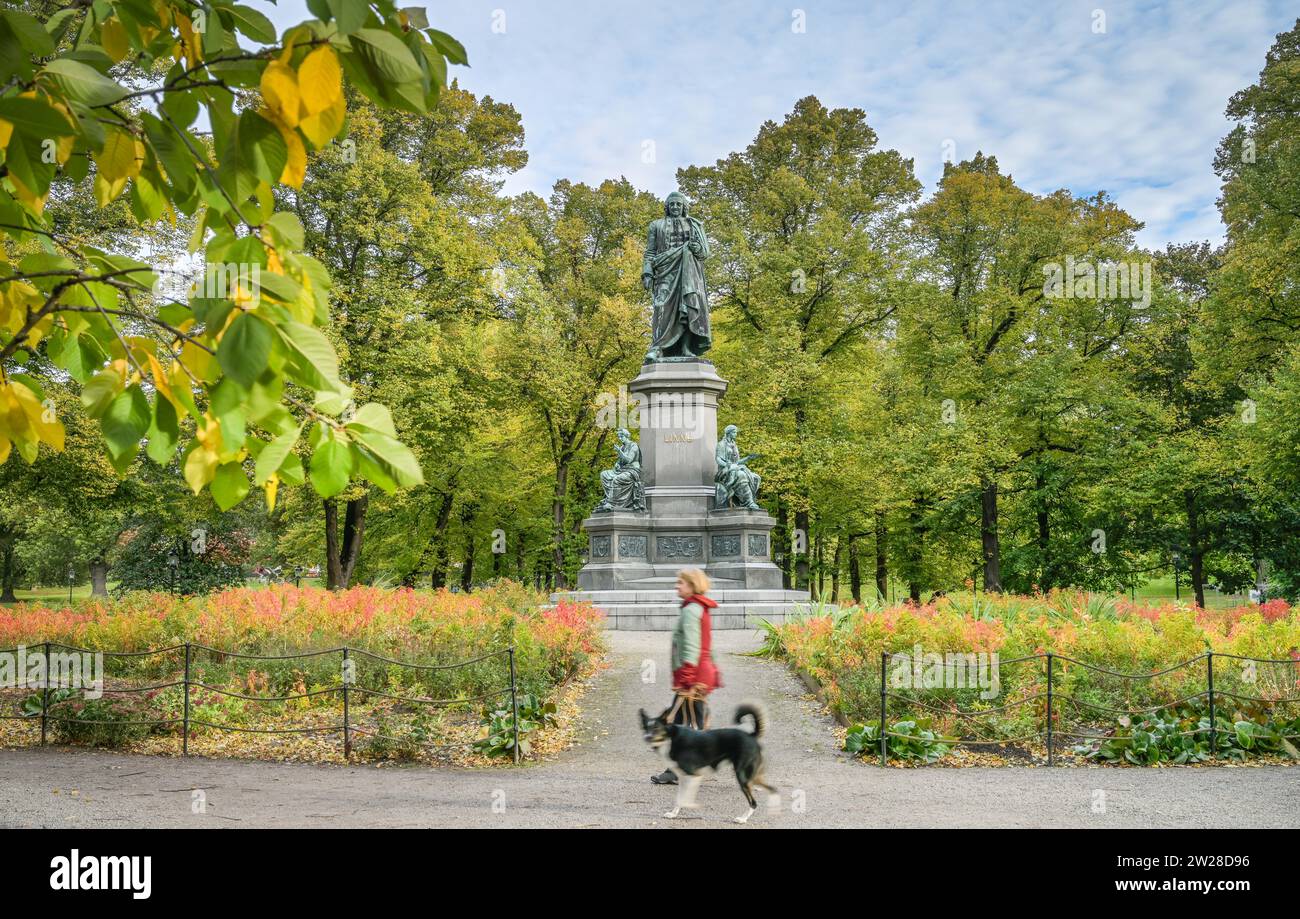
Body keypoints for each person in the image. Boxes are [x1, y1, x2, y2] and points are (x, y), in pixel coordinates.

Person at [651, 568, 722, 785]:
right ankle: (684, 767)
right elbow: (707, 644)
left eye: (680, 582)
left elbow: (692, 645)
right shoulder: (698, 608)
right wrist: (713, 670)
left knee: (686, 723)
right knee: (686, 722)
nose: (676, 586)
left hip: (692, 678)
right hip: (698, 675)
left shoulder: (692, 610)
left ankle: (700, 762)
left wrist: (688, 676)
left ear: (692, 586)